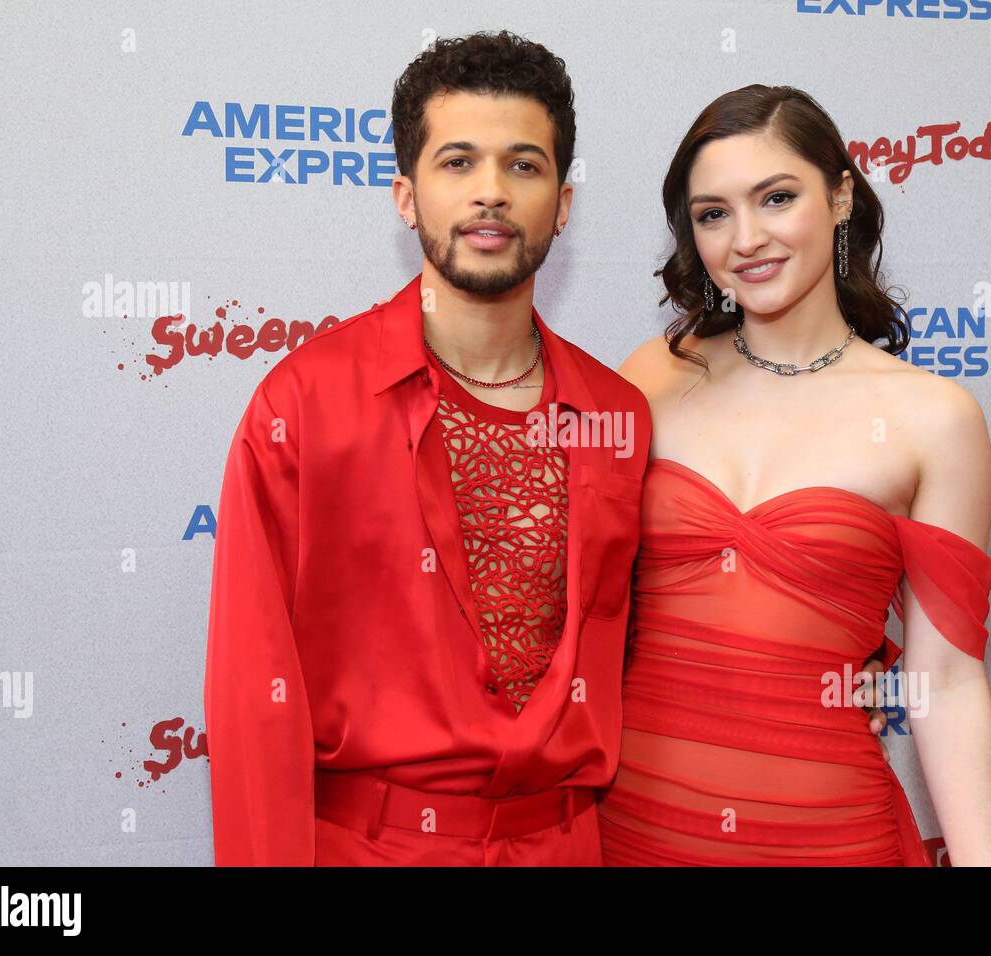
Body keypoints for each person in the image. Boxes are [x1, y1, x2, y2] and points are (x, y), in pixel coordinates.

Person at [202, 31, 654, 866]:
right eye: (458, 163)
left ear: (563, 203)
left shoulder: (616, 416)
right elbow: (251, 694)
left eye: (524, 165)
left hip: (567, 845)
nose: (491, 193)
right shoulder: (302, 404)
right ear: (406, 196)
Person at [597, 85, 991, 866]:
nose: (746, 238)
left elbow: (945, 682)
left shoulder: (934, 418)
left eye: (776, 198)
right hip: (631, 830)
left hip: (827, 836)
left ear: (841, 195)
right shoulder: (653, 377)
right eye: (713, 213)